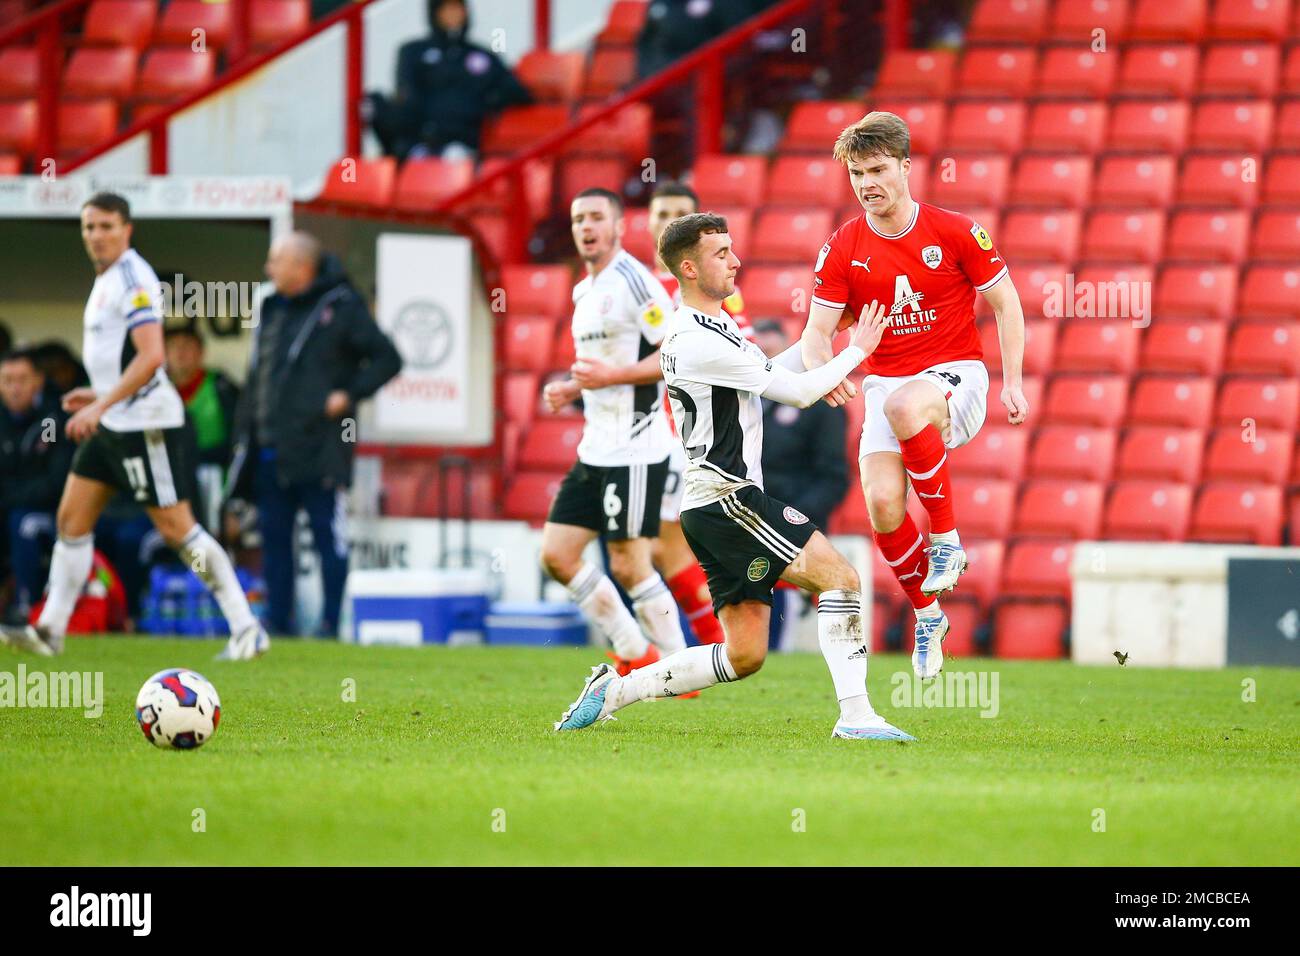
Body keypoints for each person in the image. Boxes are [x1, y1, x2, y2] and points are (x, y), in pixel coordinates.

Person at [555, 212, 913, 741]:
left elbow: (778, 372)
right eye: (721, 252)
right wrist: (859, 349)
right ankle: (857, 716)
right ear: (689, 269)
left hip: (710, 506)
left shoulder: (709, 328)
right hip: (729, 498)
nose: (735, 260)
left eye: (732, 248)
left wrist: (831, 343)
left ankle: (616, 691)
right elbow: (796, 393)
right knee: (840, 578)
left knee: (745, 654)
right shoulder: (694, 337)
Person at [800, 111, 1028, 680]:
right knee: (879, 504)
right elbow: (815, 334)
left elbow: (1007, 304)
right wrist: (822, 373)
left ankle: (946, 540)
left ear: (905, 166)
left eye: (877, 169)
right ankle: (928, 614)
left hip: (957, 378)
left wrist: (1014, 381)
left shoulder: (955, 231)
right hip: (886, 386)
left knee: (906, 407)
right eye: (856, 173)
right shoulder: (844, 245)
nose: (866, 183)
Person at [0, 192, 268, 660]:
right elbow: (119, 359)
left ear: (128, 229)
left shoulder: (132, 276)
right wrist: (98, 396)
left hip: (146, 424)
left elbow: (152, 356)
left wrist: (102, 404)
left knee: (177, 529)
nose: (97, 236)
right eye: (89, 227)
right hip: (113, 421)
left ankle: (246, 627)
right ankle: (51, 629)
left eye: (106, 226)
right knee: (71, 520)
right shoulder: (105, 278)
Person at [539, 188, 689, 679]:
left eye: (597, 218)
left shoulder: (634, 281)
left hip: (637, 446)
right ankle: (632, 647)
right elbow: (604, 366)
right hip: (595, 447)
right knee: (557, 555)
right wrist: (570, 389)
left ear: (620, 226)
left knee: (629, 563)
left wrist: (610, 378)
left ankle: (677, 667)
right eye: (579, 218)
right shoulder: (584, 291)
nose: (586, 227)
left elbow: (672, 355)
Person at [228, 231, 401, 639]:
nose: (268, 269)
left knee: (329, 539)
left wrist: (348, 395)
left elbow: (387, 358)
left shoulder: (341, 306)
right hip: (271, 447)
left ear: (301, 267)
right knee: (274, 540)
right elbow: (258, 375)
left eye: (275, 261)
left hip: (323, 449)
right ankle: (279, 624)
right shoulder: (270, 307)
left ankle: (329, 624)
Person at [365, 0, 532, 160]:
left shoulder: (483, 56)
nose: (452, 15)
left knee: (454, 161)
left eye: (457, 8)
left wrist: (484, 102)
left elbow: (517, 91)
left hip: (463, 144)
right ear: (435, 13)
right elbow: (407, 95)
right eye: (446, 9)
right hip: (418, 142)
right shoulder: (413, 52)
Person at [751, 319, 848, 530]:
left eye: (773, 354)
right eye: (761, 355)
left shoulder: (820, 404)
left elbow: (833, 477)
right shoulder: (743, 401)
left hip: (800, 523)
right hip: (748, 519)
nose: (769, 362)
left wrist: (793, 519)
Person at [0, 349, 73, 620]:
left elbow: (54, 481)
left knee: (24, 523)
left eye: (22, 379)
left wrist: (10, 498)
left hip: (44, 512)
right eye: (7, 380)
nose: (15, 388)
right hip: (8, 507)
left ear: (38, 382)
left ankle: (26, 606)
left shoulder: (49, 422)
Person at [165, 325, 240, 530]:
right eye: (172, 347)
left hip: (216, 482)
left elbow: (238, 442)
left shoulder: (221, 386)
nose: (180, 353)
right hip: (172, 487)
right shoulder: (156, 393)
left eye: (187, 346)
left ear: (201, 352)